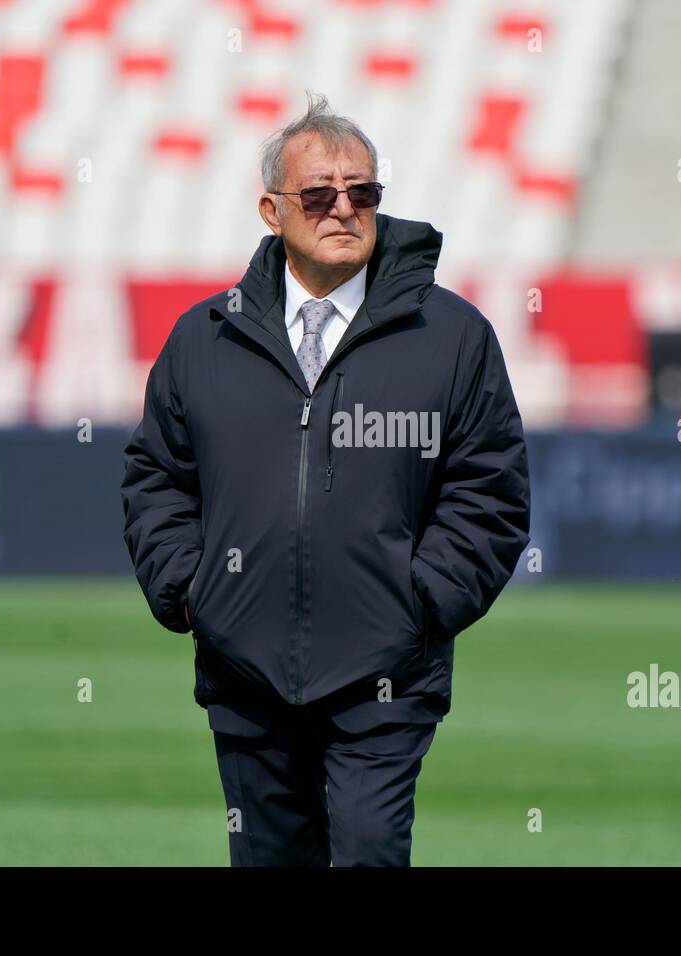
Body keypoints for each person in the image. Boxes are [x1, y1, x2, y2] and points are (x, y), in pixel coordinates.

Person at [121, 92, 531, 866]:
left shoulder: (452, 337)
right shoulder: (204, 339)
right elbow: (158, 478)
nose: (344, 209)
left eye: (363, 192)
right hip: (246, 670)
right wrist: (191, 591)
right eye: (319, 194)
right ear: (272, 211)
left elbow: (492, 491)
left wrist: (422, 602)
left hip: (386, 670)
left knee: (371, 853)